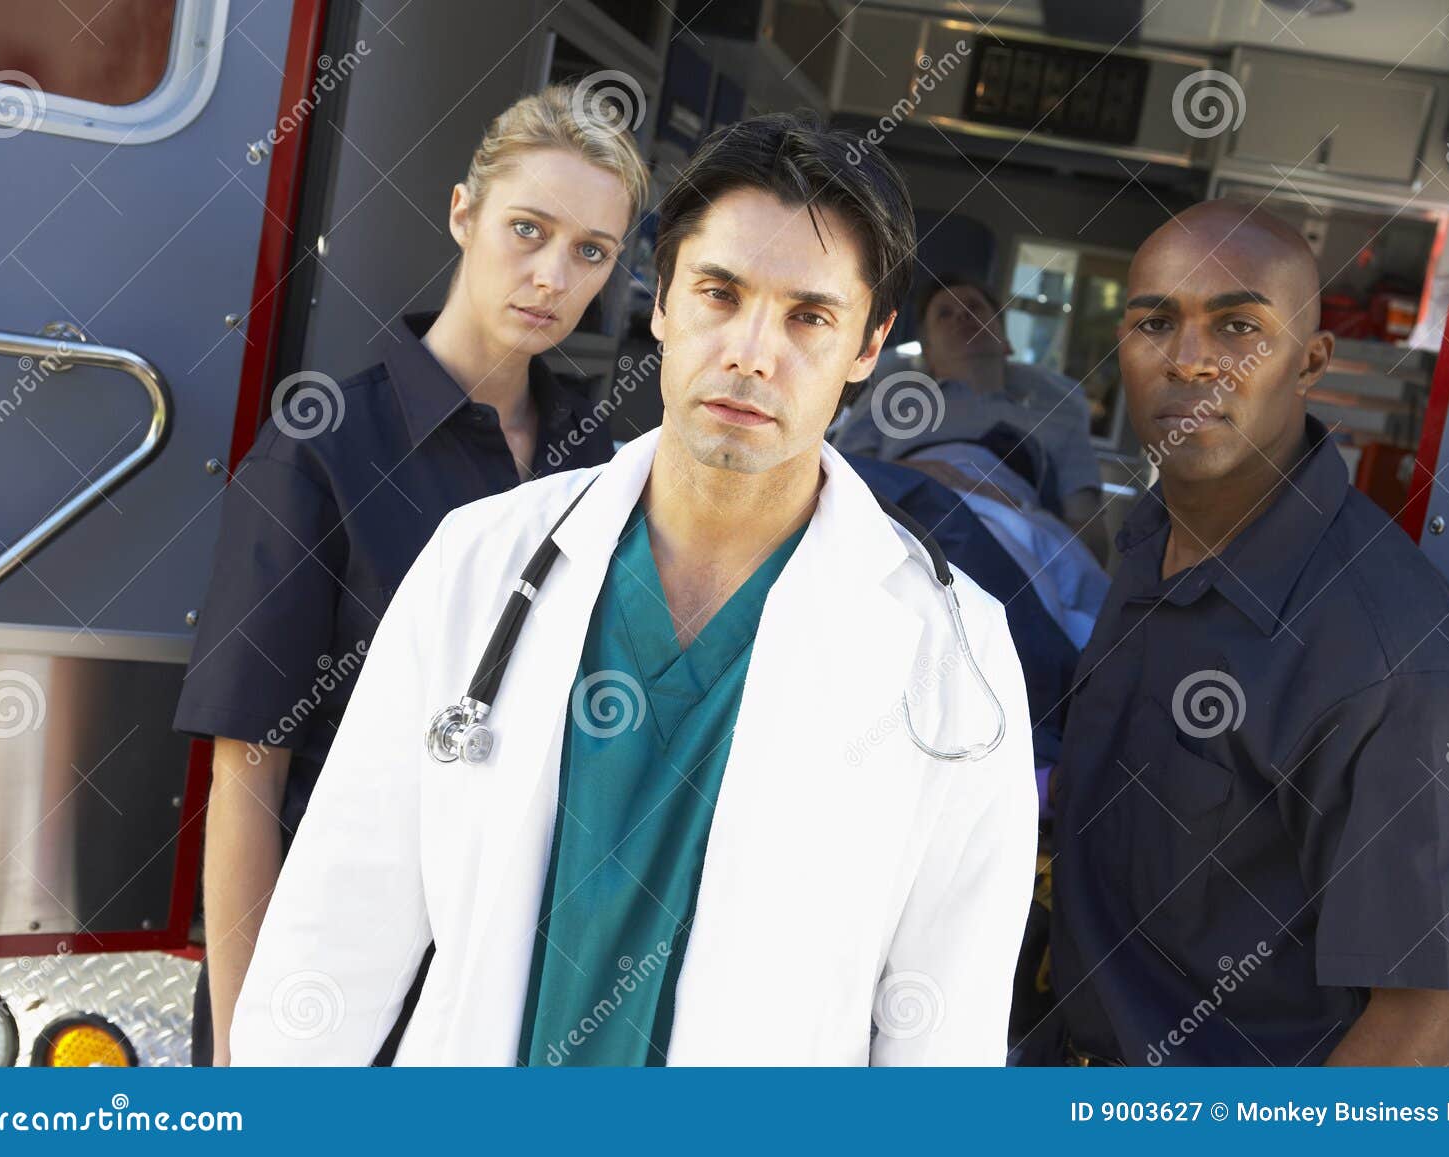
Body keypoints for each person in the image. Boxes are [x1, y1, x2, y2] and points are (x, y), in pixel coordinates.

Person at [229, 113, 1037, 1066]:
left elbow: (942, 1029)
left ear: (869, 346)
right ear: (661, 303)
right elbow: (336, 928)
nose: (750, 350)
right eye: (719, 293)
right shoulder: (482, 560)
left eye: (808, 317)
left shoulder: (955, 653)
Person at [171, 85, 648, 1066]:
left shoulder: (605, 465)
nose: (553, 274)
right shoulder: (322, 451)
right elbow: (246, 773)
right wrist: (251, 1052)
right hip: (340, 980)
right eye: (528, 228)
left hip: (519, 985)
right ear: (463, 213)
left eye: (590, 251)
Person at [1039, 200, 1449, 1066]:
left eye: (1238, 326)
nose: (1190, 360)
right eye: (1156, 322)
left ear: (1312, 364)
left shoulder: (1392, 658)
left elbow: (1432, 1024)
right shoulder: (1152, 538)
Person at [836, 274, 1111, 564]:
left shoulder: (1058, 413)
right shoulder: (891, 396)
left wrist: (1024, 515)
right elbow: (835, 476)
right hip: (900, 515)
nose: (962, 316)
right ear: (928, 353)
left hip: (1014, 539)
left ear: (1005, 340)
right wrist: (906, 474)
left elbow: (1088, 538)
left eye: (974, 307)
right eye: (945, 314)